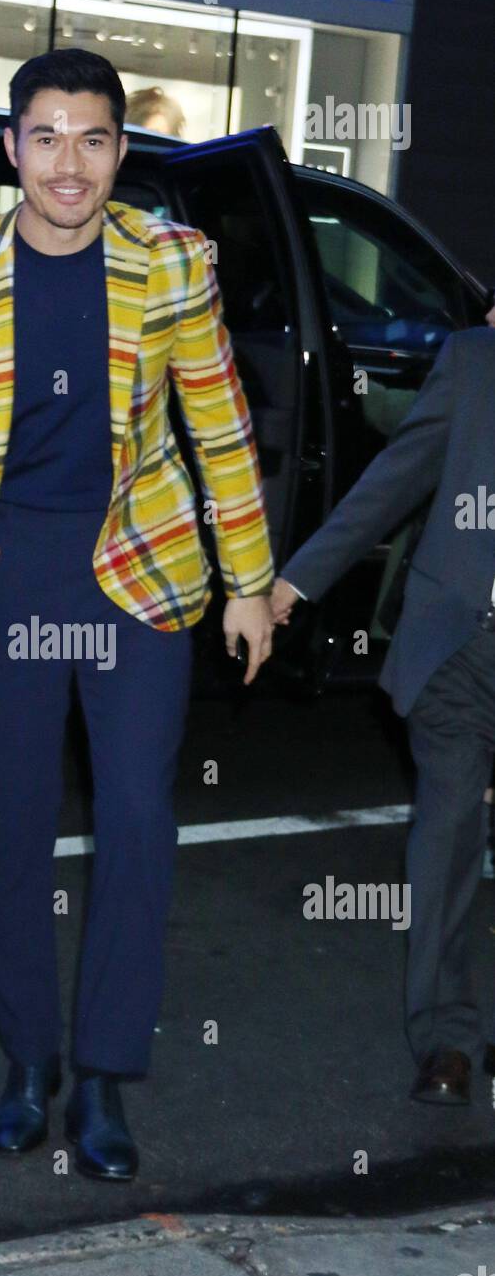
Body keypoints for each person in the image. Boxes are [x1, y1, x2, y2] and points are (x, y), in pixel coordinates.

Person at [0, 48, 273, 1181]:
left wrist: (245, 581)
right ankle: (27, 1061)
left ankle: (101, 1076)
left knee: (137, 818)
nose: (68, 164)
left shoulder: (172, 263)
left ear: (119, 151)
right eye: (45, 137)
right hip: (0, 575)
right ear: (11, 147)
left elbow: (219, 430)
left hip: (135, 572)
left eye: (92, 139)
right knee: (9, 831)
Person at [271, 325, 495, 1104]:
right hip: (461, 647)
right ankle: (446, 1042)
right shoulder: (474, 363)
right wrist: (295, 585)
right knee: (447, 833)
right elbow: (393, 481)